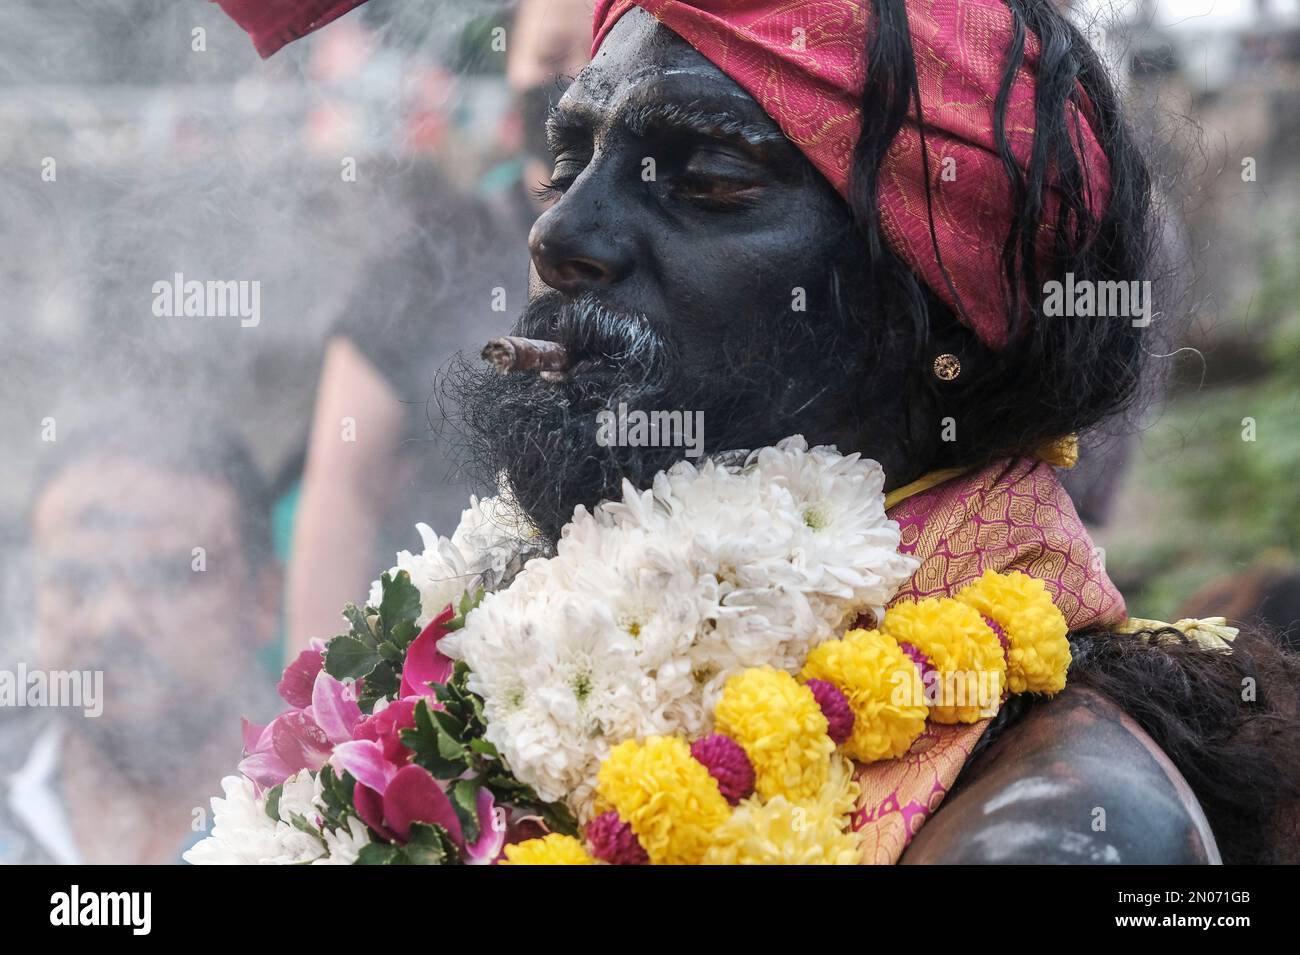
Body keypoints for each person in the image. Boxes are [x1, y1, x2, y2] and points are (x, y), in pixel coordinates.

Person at [216, 0, 1300, 863]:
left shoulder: (1056, 826)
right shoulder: (515, 682)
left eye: (713, 181)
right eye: (569, 160)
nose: (559, 232)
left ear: (944, 315)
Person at [284, 0, 592, 656]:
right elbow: (342, 487)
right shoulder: (428, 255)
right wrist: (315, 710)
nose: (582, 83)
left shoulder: (688, 253)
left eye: (607, 50)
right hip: (447, 670)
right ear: (512, 71)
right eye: (555, 58)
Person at [1, 420, 281, 863]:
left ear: (263, 599)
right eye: (77, 578)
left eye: (169, 575)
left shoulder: (339, 810)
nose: (113, 620)